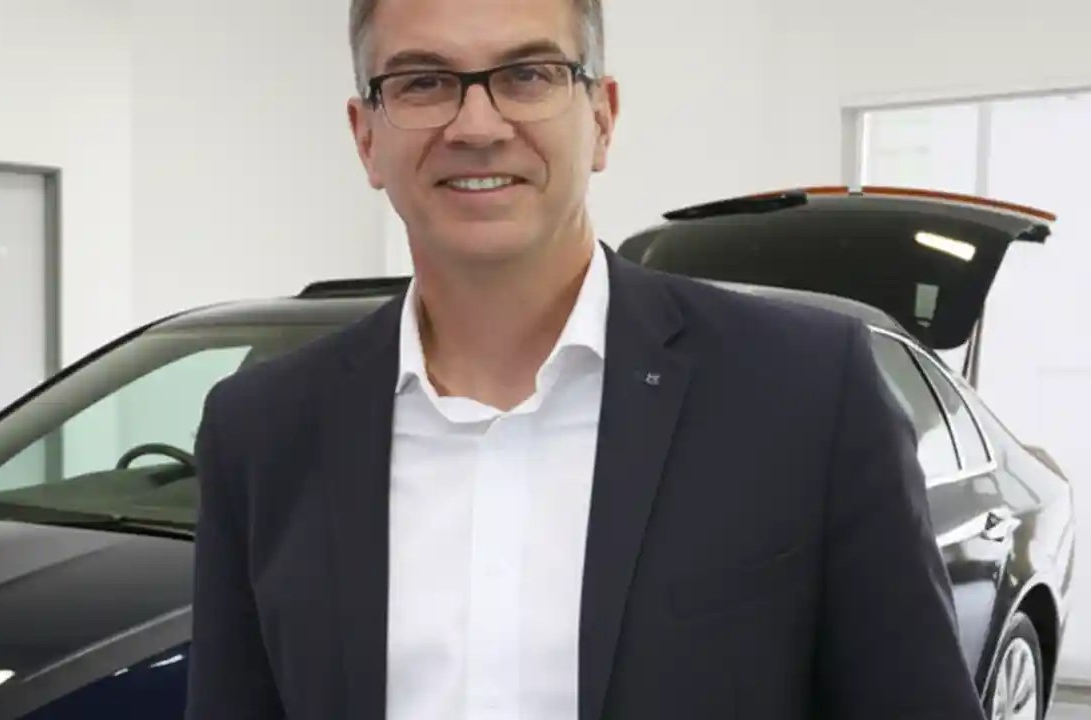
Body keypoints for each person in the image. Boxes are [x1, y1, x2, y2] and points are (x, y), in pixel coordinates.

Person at [185, 0, 987, 717]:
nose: (476, 126)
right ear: (366, 137)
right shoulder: (262, 431)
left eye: (529, 74)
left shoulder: (806, 394)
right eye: (423, 82)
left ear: (602, 117)